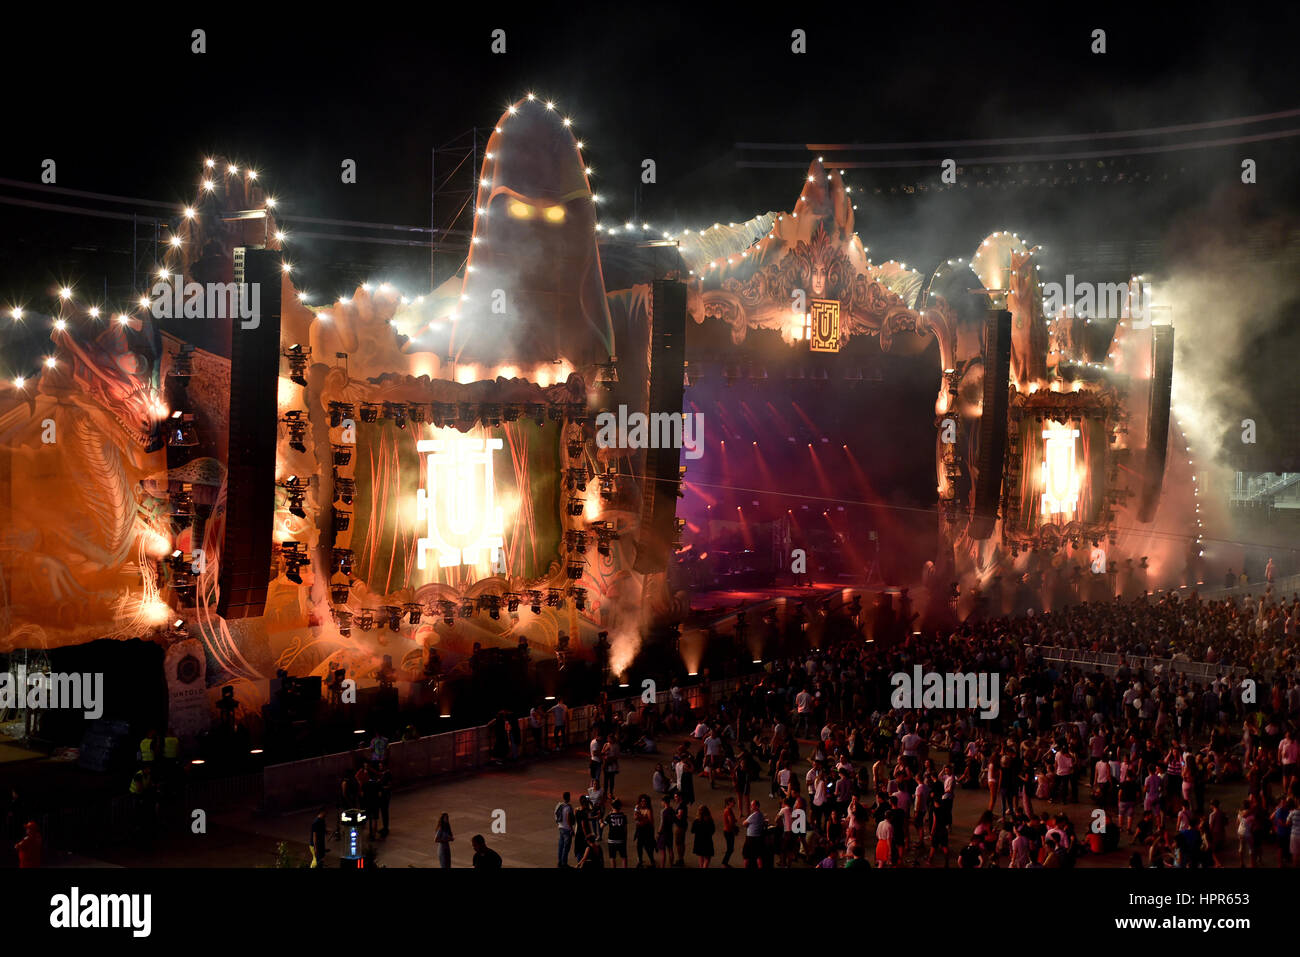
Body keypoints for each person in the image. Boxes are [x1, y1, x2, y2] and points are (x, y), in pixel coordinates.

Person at [742, 800, 766, 869]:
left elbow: (744, 823)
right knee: (758, 856)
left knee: (746, 855)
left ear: (757, 806)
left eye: (752, 805)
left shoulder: (753, 815)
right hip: (758, 837)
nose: (751, 806)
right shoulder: (761, 814)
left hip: (750, 838)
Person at [605, 799, 629, 868]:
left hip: (612, 840)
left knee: (612, 857)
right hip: (621, 839)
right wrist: (625, 840)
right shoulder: (624, 816)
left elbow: (601, 825)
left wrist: (600, 821)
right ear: (620, 807)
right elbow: (625, 829)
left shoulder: (609, 816)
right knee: (624, 857)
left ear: (612, 807)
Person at [555, 791, 574, 867]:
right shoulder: (568, 807)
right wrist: (571, 828)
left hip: (560, 827)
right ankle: (564, 863)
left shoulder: (560, 805)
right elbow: (568, 818)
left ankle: (559, 861)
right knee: (566, 847)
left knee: (561, 845)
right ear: (569, 798)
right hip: (566, 828)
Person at [721, 796, 738, 868]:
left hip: (728, 831)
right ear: (729, 802)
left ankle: (725, 862)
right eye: (733, 802)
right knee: (730, 849)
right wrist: (734, 828)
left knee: (730, 849)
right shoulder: (728, 810)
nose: (734, 803)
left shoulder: (728, 810)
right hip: (729, 831)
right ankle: (724, 863)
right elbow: (731, 821)